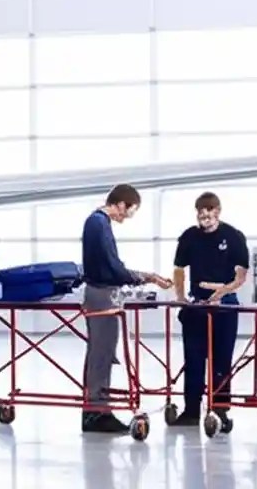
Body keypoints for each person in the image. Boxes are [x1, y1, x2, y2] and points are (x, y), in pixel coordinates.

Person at [79, 183, 171, 434]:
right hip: (101, 295)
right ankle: (96, 412)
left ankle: (98, 407)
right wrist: (146, 277)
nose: (128, 216)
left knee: (104, 353)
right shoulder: (98, 223)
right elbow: (112, 267)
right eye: (130, 210)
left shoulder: (99, 223)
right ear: (121, 204)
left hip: (103, 293)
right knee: (101, 353)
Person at [168, 191, 249, 428]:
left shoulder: (233, 236)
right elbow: (179, 269)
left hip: (225, 305)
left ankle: (220, 410)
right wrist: (182, 297)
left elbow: (241, 275)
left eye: (209, 214)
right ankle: (191, 410)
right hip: (197, 305)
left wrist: (222, 291)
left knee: (222, 359)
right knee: (194, 358)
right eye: (200, 214)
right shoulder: (189, 237)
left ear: (218, 212)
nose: (204, 219)